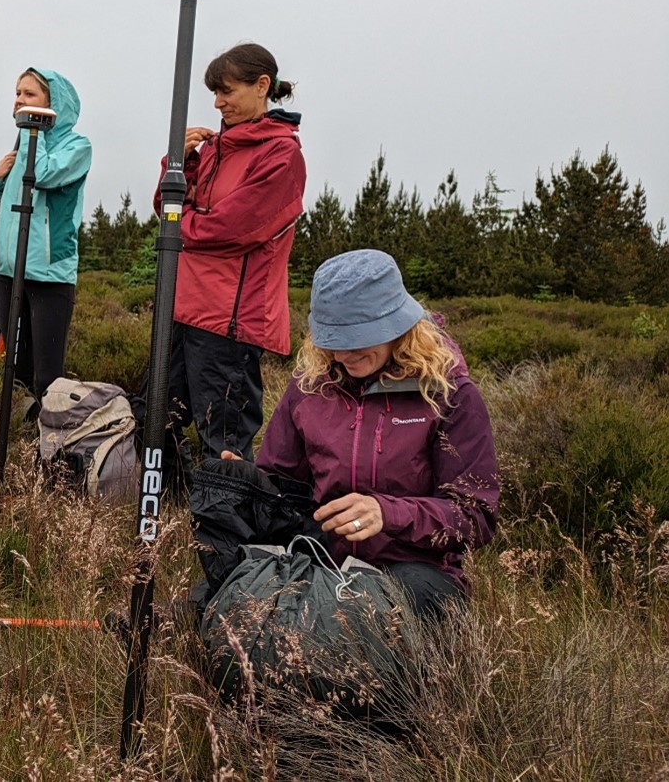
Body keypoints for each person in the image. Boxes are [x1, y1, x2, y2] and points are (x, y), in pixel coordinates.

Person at [240, 249, 500, 619]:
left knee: (366, 620)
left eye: (357, 340)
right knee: (231, 594)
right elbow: (280, 482)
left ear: (398, 327)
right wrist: (245, 483)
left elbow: (475, 516)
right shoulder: (310, 387)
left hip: (416, 574)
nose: (342, 356)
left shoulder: (449, 394)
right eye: (332, 342)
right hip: (321, 561)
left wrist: (387, 513)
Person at [154, 42, 305, 473]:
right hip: (184, 307)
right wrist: (177, 161)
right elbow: (166, 202)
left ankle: (224, 536)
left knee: (223, 438)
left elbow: (228, 230)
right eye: (214, 94)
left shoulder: (282, 156)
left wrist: (178, 223)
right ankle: (174, 512)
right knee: (153, 417)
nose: (218, 103)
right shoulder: (216, 149)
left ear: (262, 86)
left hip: (230, 322)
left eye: (227, 92)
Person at [0, 68, 92, 401]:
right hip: (9, 270)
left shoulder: (77, 146)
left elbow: (43, 175)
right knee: (13, 371)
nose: (19, 100)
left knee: (47, 376)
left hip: (49, 275)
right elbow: (9, 204)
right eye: (18, 93)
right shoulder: (24, 143)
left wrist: (38, 131)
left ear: (54, 103)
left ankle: (49, 447)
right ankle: (17, 440)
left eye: (30, 94)